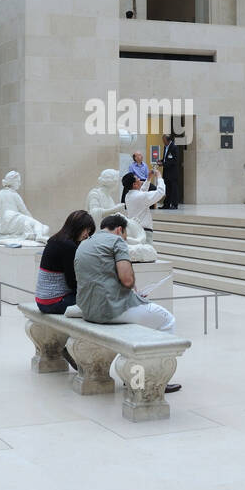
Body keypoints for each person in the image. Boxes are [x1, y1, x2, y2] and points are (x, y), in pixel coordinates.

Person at [74, 214, 180, 392]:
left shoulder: (84, 243)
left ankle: (134, 374)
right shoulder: (117, 242)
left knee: (140, 324)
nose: (124, 239)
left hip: (88, 308)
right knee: (167, 320)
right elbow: (127, 280)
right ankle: (154, 379)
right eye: (124, 235)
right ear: (119, 230)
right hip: (111, 308)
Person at [122, 167, 165, 241]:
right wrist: (159, 177)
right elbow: (160, 192)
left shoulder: (128, 195)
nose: (139, 179)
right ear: (134, 184)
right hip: (144, 231)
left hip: (134, 229)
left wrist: (148, 178)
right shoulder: (139, 196)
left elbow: (141, 192)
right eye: (137, 178)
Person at [159, 133, 182, 209]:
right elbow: (166, 158)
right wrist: (161, 161)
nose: (162, 141)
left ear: (168, 140)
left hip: (173, 173)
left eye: (163, 140)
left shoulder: (174, 147)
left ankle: (174, 205)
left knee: (174, 189)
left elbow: (175, 161)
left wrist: (164, 163)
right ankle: (166, 204)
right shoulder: (165, 147)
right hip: (166, 172)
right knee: (167, 189)